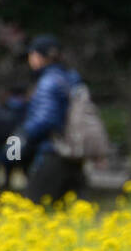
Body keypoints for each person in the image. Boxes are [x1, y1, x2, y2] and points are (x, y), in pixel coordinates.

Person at [18, 35, 85, 202]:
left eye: (31, 54)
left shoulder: (48, 82)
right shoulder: (72, 79)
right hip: (74, 154)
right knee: (68, 216)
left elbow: (46, 119)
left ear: (40, 57)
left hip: (51, 152)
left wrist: (22, 133)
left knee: (35, 211)